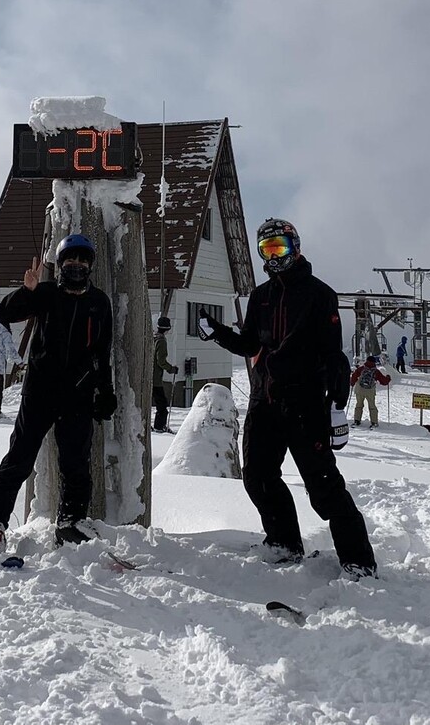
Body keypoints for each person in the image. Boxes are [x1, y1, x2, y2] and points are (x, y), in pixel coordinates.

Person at [196, 217, 378, 580]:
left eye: (280, 246)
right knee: (258, 476)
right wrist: (216, 333)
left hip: (306, 404)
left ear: (295, 247)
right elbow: (250, 343)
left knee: (323, 485)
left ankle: (358, 560)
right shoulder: (261, 297)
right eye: (267, 249)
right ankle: (283, 542)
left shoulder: (318, 293)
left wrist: (336, 407)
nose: (274, 255)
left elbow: (334, 355)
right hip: (265, 402)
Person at [0, 234, 116, 552]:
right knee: (18, 460)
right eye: (70, 260)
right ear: (61, 264)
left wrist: (105, 390)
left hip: (78, 396)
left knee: (76, 463)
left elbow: (102, 351)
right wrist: (27, 291)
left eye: (82, 260)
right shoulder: (46, 293)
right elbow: (5, 313)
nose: (76, 265)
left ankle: (69, 522)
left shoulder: (99, 302)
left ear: (89, 265)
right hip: (39, 392)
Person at [152, 316, 178, 432]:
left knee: (157, 403)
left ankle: (157, 426)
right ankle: (159, 426)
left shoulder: (153, 338)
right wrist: (171, 369)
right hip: (156, 378)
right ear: (167, 328)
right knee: (162, 406)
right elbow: (161, 361)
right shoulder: (161, 341)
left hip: (148, 377)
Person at [351, 354, 390, 426]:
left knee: (359, 405)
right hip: (370, 390)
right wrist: (388, 378)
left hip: (360, 389)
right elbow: (383, 381)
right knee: (372, 406)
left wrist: (352, 383)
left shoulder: (361, 369)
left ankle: (357, 421)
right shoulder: (376, 371)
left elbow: (354, 376)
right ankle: (374, 422)